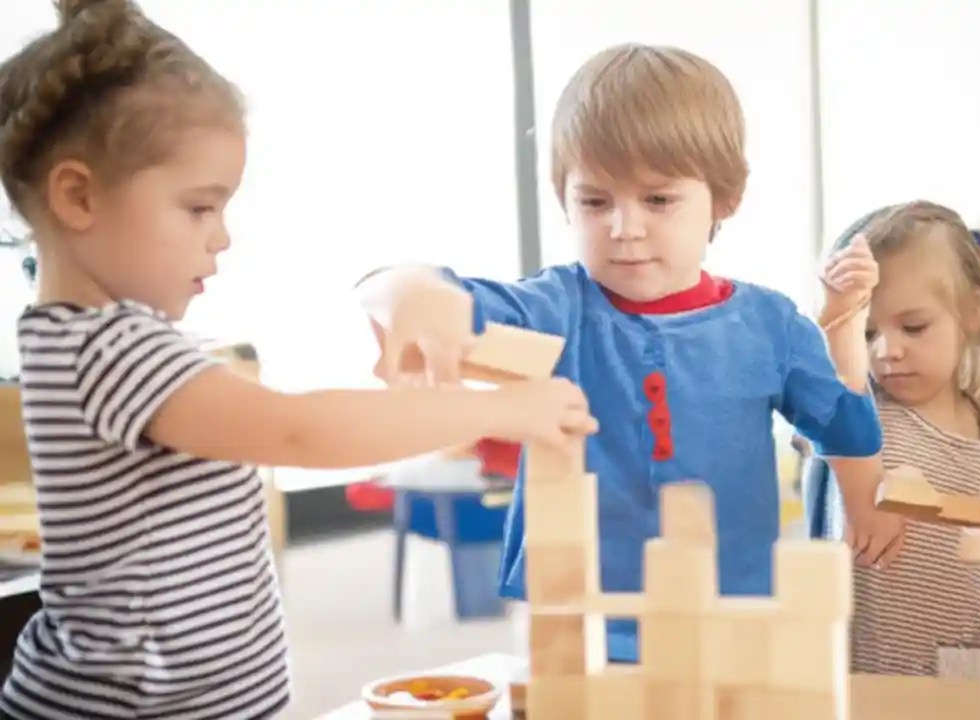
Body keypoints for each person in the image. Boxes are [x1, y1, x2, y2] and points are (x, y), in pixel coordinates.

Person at [0, 2, 593, 718]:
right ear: (78, 196)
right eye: (198, 208)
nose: (221, 237)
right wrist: (497, 409)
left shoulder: (90, 342)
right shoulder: (108, 349)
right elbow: (297, 431)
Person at [357, 43, 885, 662]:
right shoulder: (556, 306)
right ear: (566, 200)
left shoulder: (770, 324)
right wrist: (404, 293)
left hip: (730, 616)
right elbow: (419, 291)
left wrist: (846, 331)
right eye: (595, 201)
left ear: (725, 198)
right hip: (581, 623)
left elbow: (844, 426)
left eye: (658, 200)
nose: (624, 228)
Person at [815, 201, 980, 680]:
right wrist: (836, 314)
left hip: (970, 688)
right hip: (871, 692)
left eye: (913, 327)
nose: (887, 350)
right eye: (867, 332)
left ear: (972, 313)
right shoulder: (859, 420)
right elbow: (832, 387)